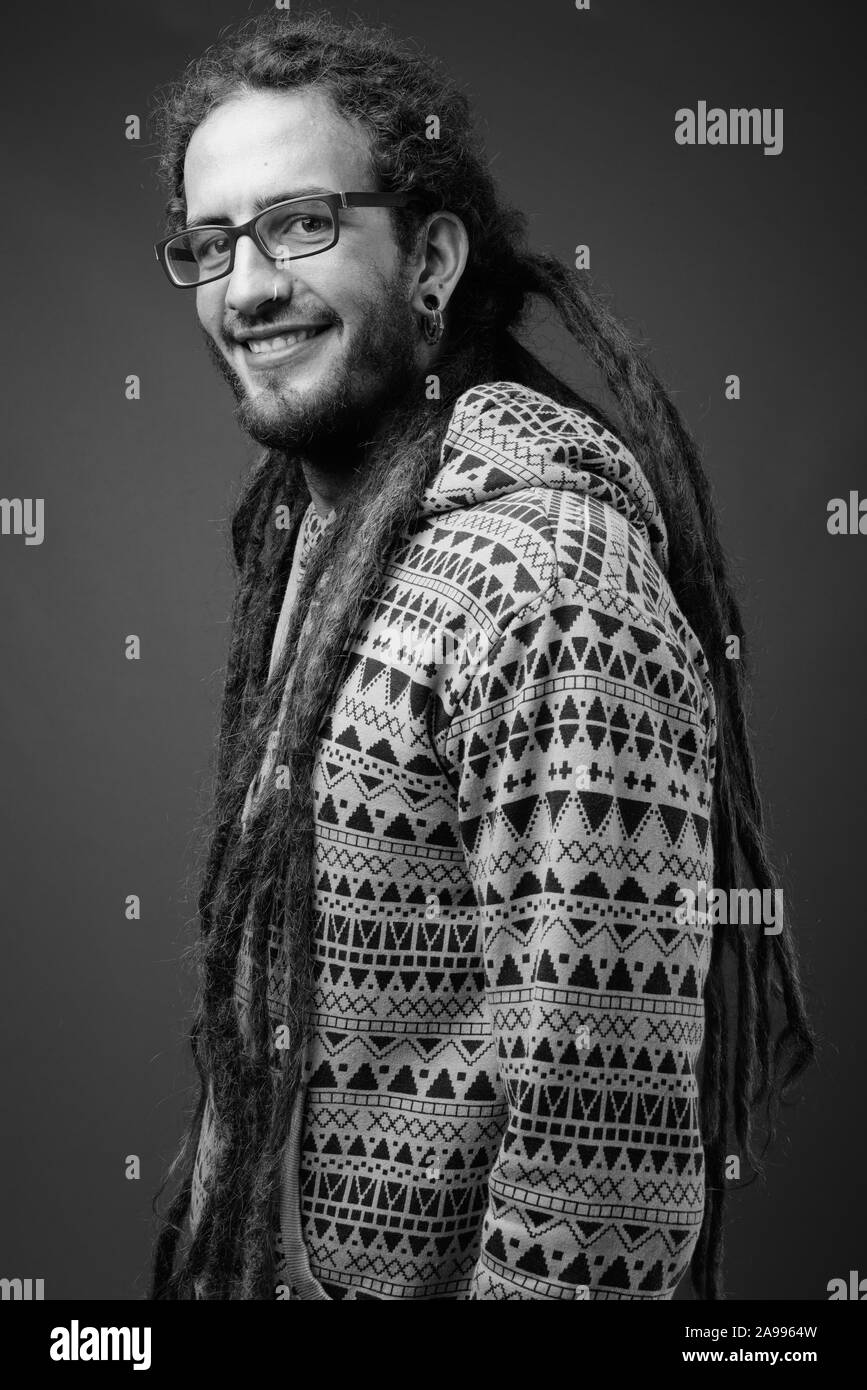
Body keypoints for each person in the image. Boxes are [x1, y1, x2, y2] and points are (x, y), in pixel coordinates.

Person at [149, 9, 814, 1301]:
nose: (248, 286)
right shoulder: (316, 532)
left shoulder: (549, 580)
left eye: (300, 223)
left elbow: (600, 1191)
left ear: (433, 258)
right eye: (210, 241)